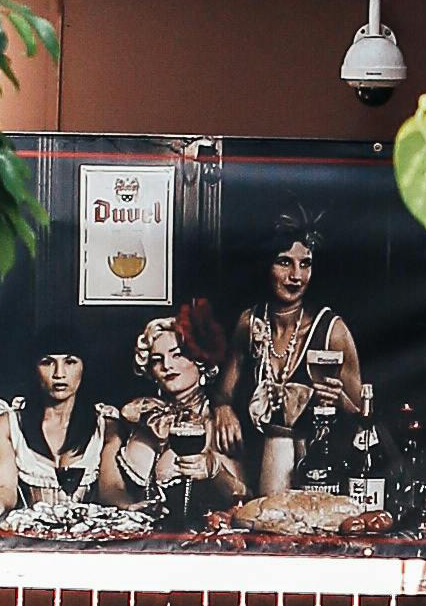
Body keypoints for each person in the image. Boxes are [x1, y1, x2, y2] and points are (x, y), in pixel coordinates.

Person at [228, 216, 375, 489]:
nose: (296, 276)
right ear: (265, 264)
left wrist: (339, 399)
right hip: (255, 469)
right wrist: (223, 409)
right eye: (284, 262)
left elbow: (365, 424)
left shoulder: (332, 331)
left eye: (305, 264)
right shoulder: (249, 323)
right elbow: (222, 394)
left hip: (320, 476)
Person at [108, 304, 246, 522]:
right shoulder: (139, 415)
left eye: (177, 355)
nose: (167, 365)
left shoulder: (219, 422)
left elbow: (243, 496)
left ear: (200, 361)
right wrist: (129, 507)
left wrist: (214, 470)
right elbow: (109, 489)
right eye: (157, 359)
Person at [0, 340, 116, 516]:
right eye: (47, 362)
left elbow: (112, 489)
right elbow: (3, 487)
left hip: (89, 531)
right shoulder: (8, 424)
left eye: (70, 362)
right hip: (31, 531)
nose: (59, 374)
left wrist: (130, 506)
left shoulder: (106, 427)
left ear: (83, 367)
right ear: (34, 368)